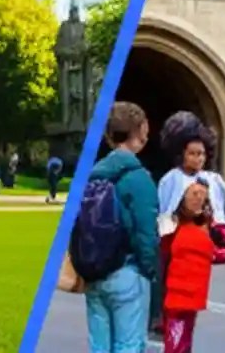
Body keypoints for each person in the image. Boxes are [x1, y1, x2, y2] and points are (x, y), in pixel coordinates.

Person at [72, 101, 159, 353]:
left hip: (93, 274)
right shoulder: (138, 178)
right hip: (127, 272)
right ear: (140, 130)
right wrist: (150, 270)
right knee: (129, 346)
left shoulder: (93, 174)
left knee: (100, 347)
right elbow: (146, 234)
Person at [155, 111, 225, 335]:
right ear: (181, 154)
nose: (198, 158)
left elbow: (219, 214)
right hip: (177, 248)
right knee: (177, 307)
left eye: (202, 154)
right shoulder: (171, 179)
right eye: (193, 154)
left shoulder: (212, 180)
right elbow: (165, 213)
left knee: (189, 310)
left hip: (199, 250)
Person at [161, 179, 225, 353]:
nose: (199, 198)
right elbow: (160, 252)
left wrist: (221, 246)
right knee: (175, 344)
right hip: (174, 295)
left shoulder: (207, 223)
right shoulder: (171, 222)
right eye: (195, 194)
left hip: (194, 295)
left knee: (184, 343)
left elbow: (221, 251)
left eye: (203, 195)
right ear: (181, 196)